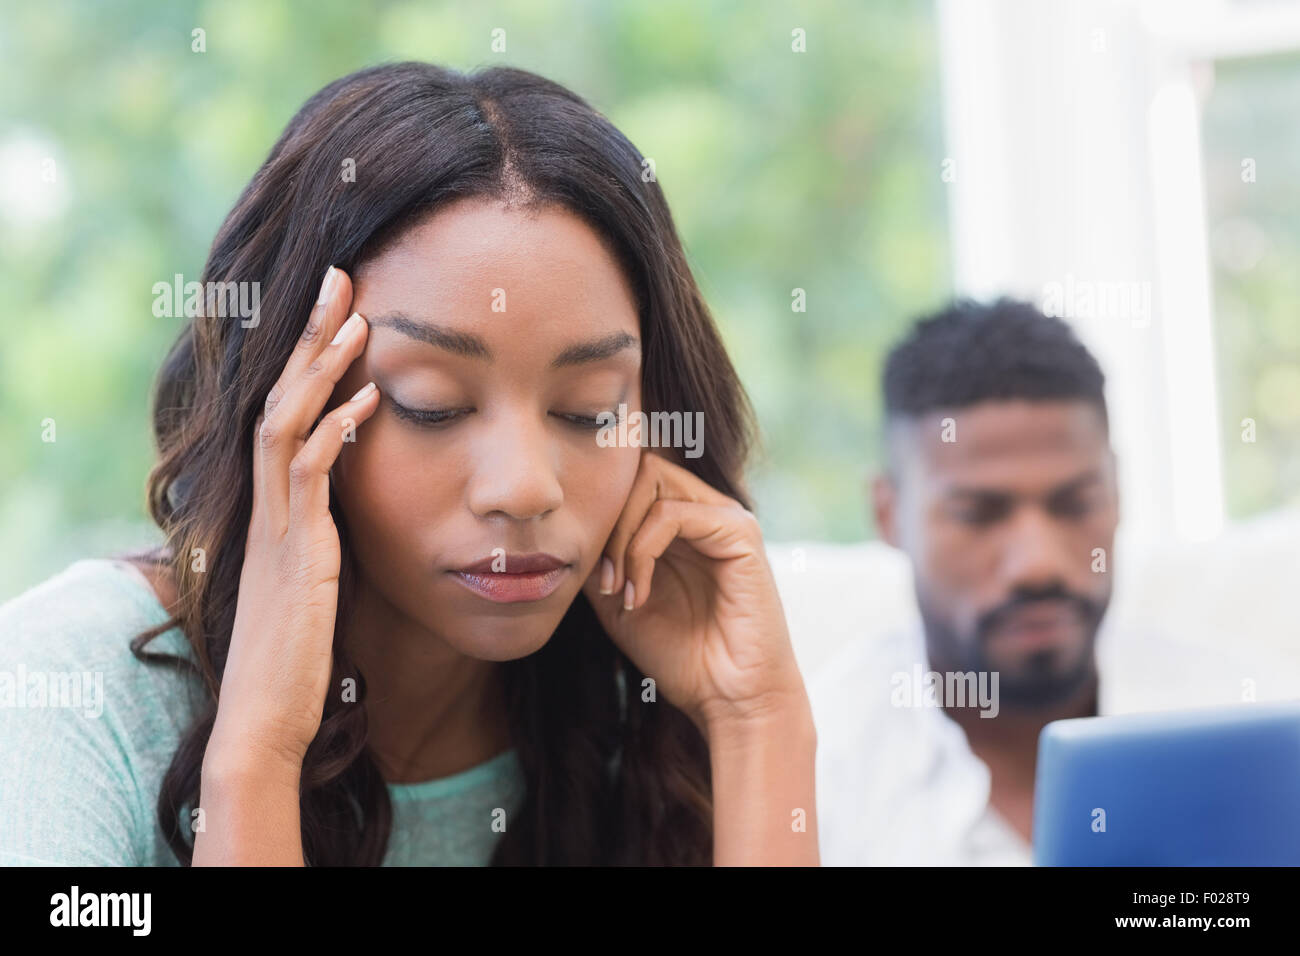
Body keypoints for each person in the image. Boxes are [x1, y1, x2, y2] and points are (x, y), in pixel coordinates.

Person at [0, 62, 817, 866]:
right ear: (289, 404)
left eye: (589, 411)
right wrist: (256, 753)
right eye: (432, 405)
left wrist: (757, 722)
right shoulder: (67, 697)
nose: (525, 486)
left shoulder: (630, 704)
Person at [813, 297, 1122, 865]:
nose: (1038, 565)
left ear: (1117, 492)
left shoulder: (1255, 729)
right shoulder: (810, 775)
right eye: (979, 513)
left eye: (1075, 504)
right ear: (889, 514)